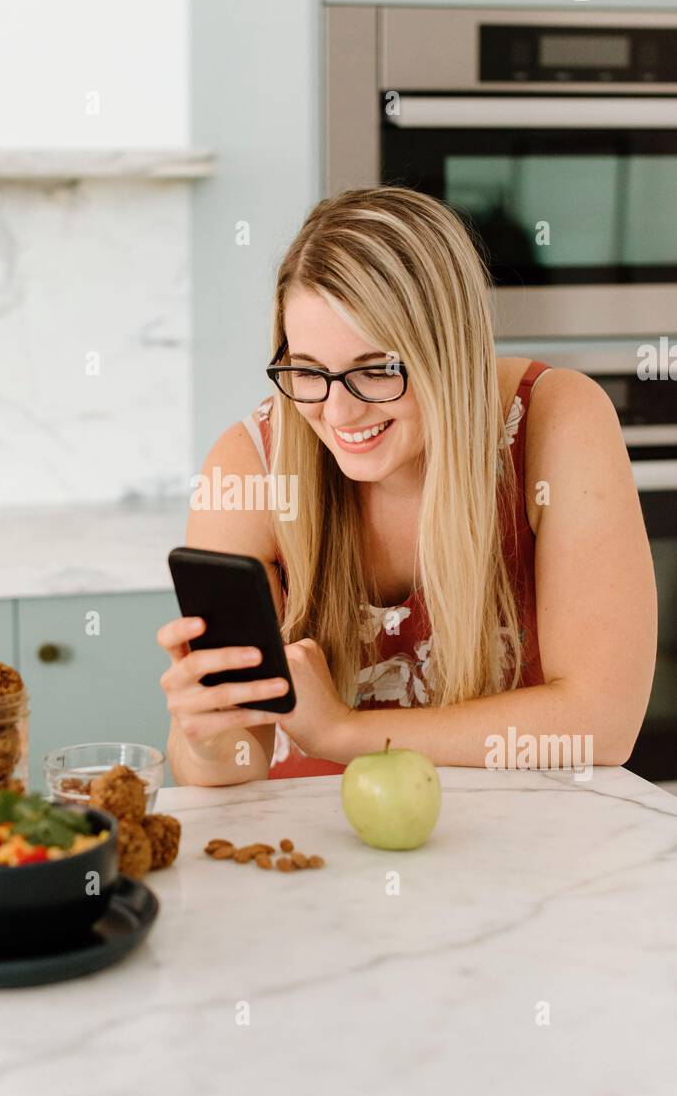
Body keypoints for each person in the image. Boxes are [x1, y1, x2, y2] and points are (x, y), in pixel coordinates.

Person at [158, 187, 656, 784]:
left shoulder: (555, 420)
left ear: (449, 352)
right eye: (309, 371)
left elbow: (602, 723)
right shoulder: (250, 466)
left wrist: (343, 732)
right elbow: (233, 767)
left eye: (376, 370)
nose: (338, 415)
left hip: (523, 845)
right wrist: (206, 735)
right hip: (315, 850)